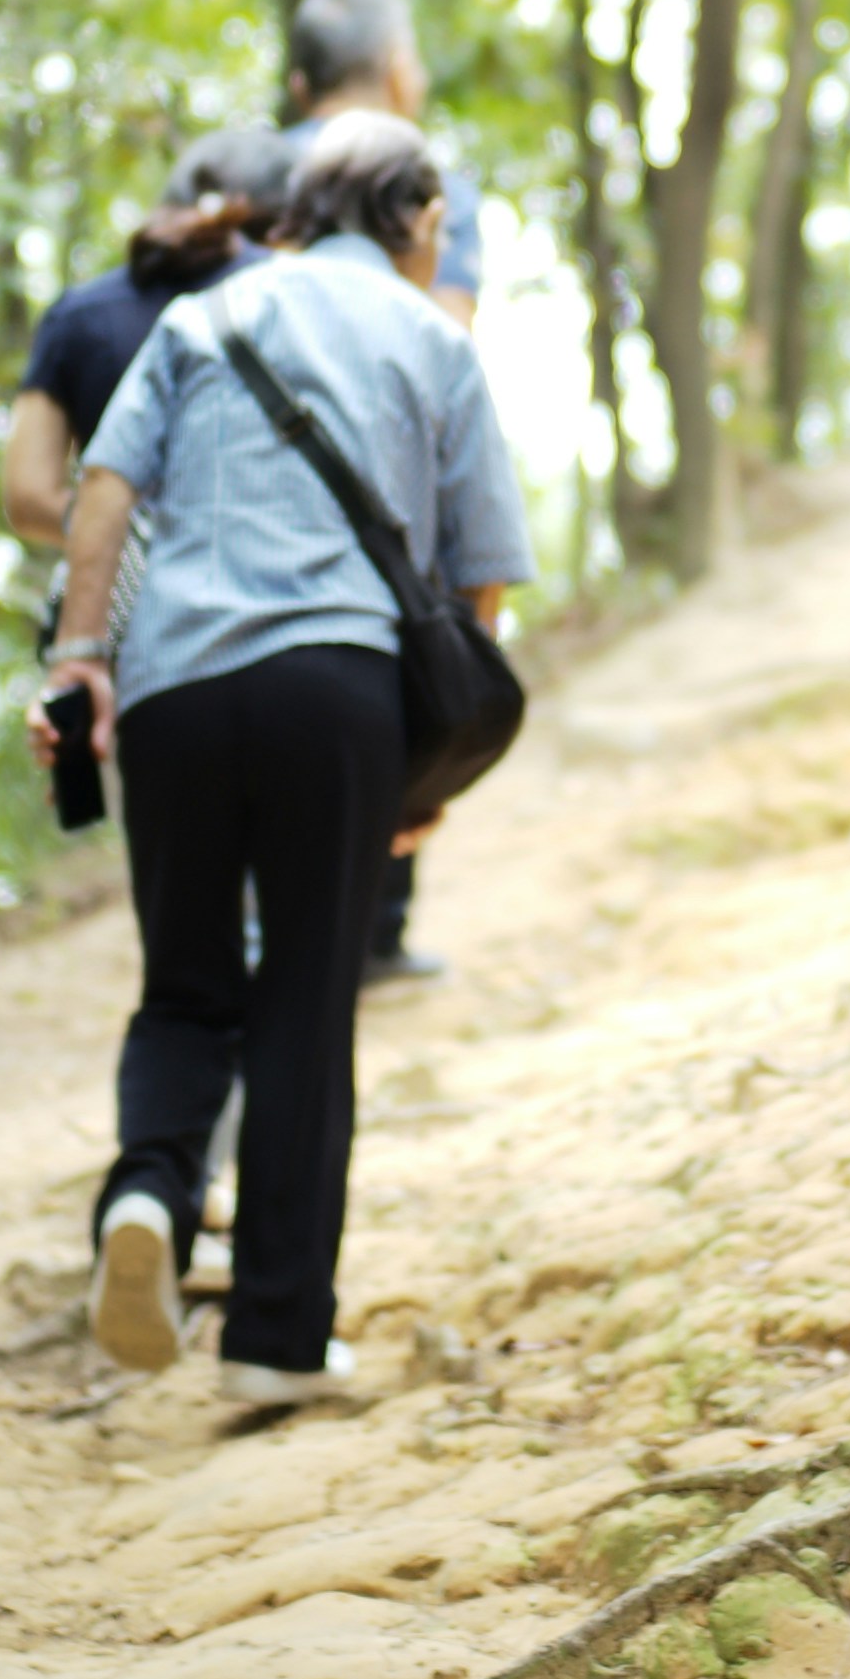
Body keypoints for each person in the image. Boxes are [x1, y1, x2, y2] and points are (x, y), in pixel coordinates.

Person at [33, 114, 528, 1410]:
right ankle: (276, 1337)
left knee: (186, 983)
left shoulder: (206, 323)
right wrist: (426, 771)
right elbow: (480, 580)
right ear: (416, 224)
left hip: (175, 688)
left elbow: (102, 486)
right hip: (337, 690)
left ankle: (148, 1192)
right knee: (307, 1002)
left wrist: (85, 657)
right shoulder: (432, 337)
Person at [280, 0, 476, 978]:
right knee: (399, 679)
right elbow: (447, 334)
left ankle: (275, 924)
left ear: (298, 79)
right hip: (387, 486)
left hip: (259, 487)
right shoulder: (427, 171)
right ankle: (376, 927)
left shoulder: (268, 169)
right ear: (399, 67)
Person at [2, 122, 307, 551]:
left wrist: (137, 541)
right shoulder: (300, 304)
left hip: (126, 605)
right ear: (286, 223)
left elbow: (29, 497)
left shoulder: (78, 314)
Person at [282, 0, 485, 323]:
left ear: (299, 87)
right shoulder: (438, 194)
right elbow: (451, 342)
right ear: (398, 73)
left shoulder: (248, 169)